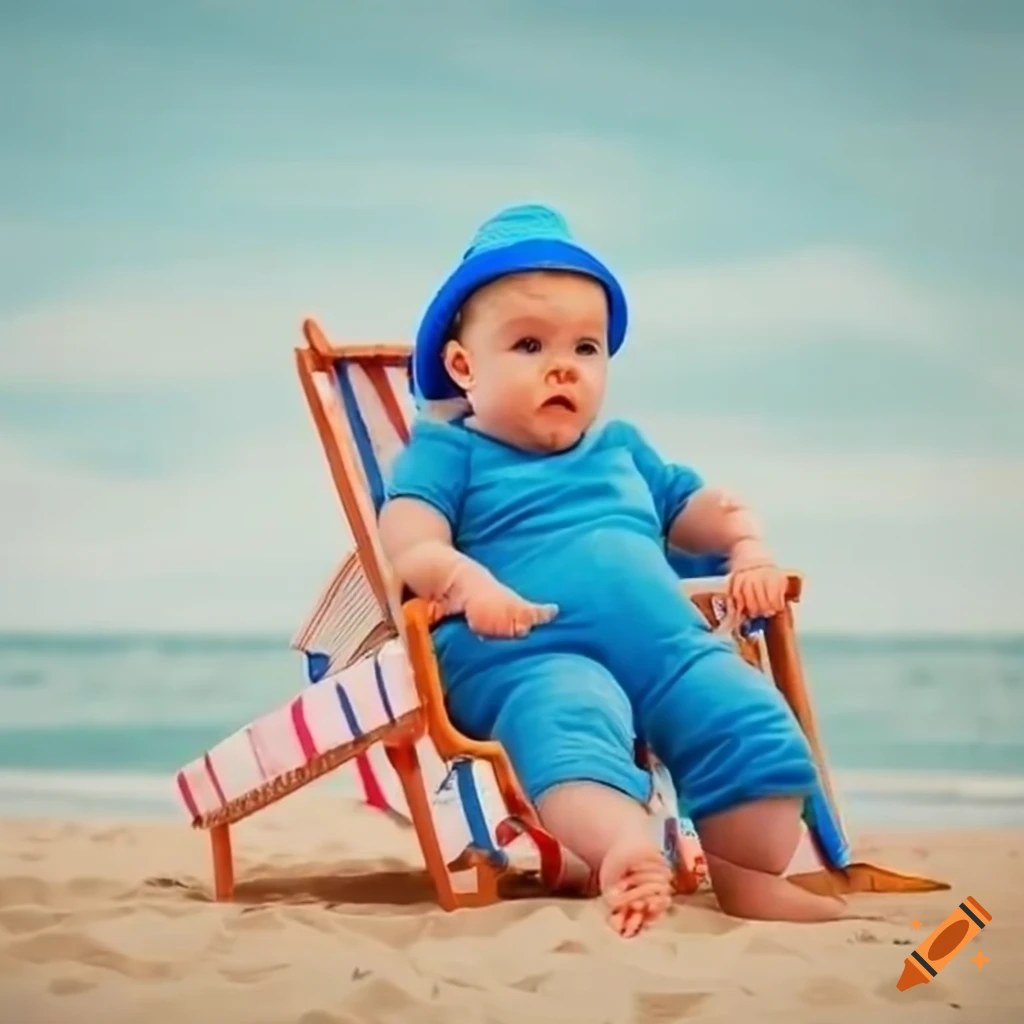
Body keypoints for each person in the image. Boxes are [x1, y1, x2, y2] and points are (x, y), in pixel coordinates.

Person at [378, 203, 846, 936]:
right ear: (463, 367)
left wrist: (747, 548)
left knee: (745, 713)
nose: (563, 365)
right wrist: (468, 584)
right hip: (526, 651)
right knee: (570, 711)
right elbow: (409, 540)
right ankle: (624, 846)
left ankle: (749, 874)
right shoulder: (451, 452)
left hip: (665, 649)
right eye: (529, 344)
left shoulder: (622, 448)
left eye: (586, 347)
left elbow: (700, 508)